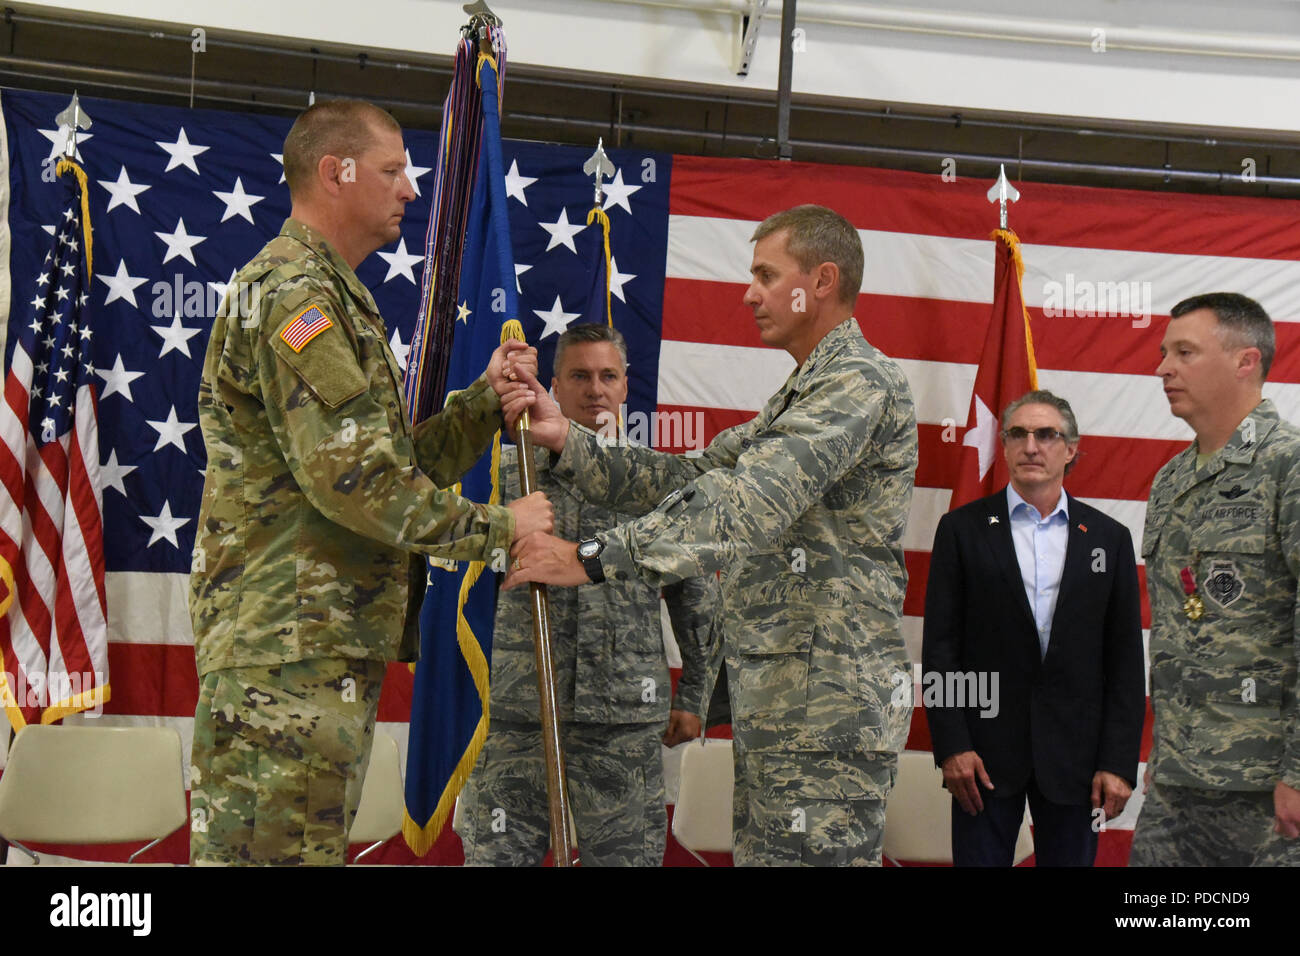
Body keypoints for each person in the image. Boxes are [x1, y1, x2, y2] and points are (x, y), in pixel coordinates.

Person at [188, 99, 552, 866]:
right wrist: (499, 528)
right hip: (285, 650)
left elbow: (382, 463)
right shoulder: (294, 296)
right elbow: (353, 480)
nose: (411, 191)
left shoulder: (328, 292)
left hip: (312, 643)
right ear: (335, 172)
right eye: (392, 171)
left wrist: (484, 406)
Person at [501, 205, 918, 866]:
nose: (749, 293)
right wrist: (568, 442)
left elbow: (745, 502)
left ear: (823, 280)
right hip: (789, 700)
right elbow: (691, 474)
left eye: (766, 274)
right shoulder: (804, 393)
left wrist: (591, 557)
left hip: (826, 706)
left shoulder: (857, 384)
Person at [457, 323, 720, 866]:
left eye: (608, 376)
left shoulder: (655, 485)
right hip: (515, 712)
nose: (595, 389)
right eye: (579, 376)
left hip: (621, 718)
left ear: (626, 387)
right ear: (553, 384)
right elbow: (454, 591)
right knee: (497, 858)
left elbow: (694, 595)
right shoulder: (502, 479)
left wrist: (696, 696)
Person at [922, 390, 1144, 866]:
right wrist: (953, 746)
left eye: (1047, 434)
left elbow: (1125, 660)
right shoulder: (962, 530)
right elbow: (942, 650)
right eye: (1018, 434)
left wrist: (1119, 762)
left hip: (1078, 763)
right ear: (1003, 446)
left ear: (1072, 448)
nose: (1031, 446)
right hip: (981, 759)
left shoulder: (1108, 538)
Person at [1130, 291, 1300, 866]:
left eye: (1184, 352)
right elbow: (1180, 628)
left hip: (1267, 784)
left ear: (1244, 361)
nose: (1163, 369)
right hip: (1179, 779)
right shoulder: (1170, 481)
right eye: (1163, 353)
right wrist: (1165, 750)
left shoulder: (1289, 467)